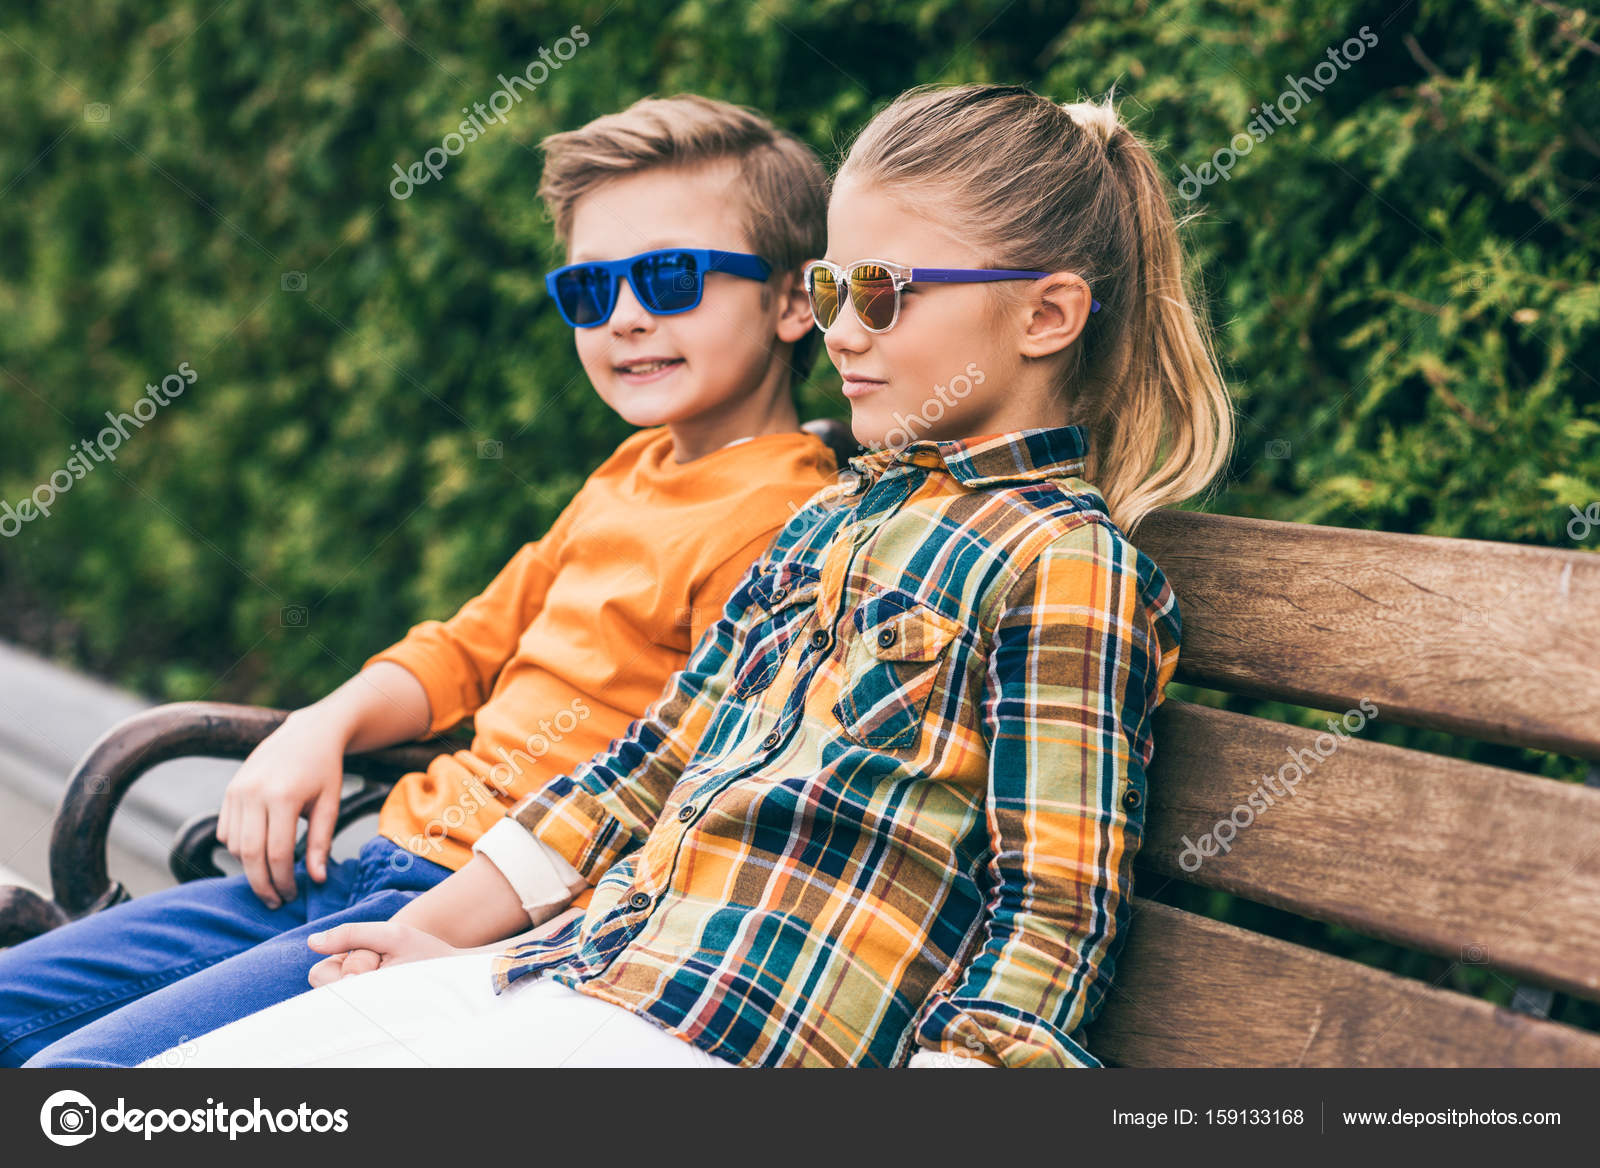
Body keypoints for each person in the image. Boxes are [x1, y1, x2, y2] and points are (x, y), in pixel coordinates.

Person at [142, 81, 1233, 1069]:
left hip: (724, 1027)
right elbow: (649, 762)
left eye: (886, 294)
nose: (844, 333)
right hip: (576, 972)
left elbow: (1050, 912)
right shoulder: (828, 518)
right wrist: (440, 936)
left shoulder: (1067, 564)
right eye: (833, 286)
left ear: (1045, 315)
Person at [6, 93, 840, 1068]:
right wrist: (323, 723)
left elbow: (685, 794)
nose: (624, 317)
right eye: (588, 289)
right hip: (361, 865)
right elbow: (468, 644)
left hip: (475, 918)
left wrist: (463, 926)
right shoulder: (633, 474)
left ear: (790, 301)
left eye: (669, 277)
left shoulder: (782, 522)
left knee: (80, 1087)